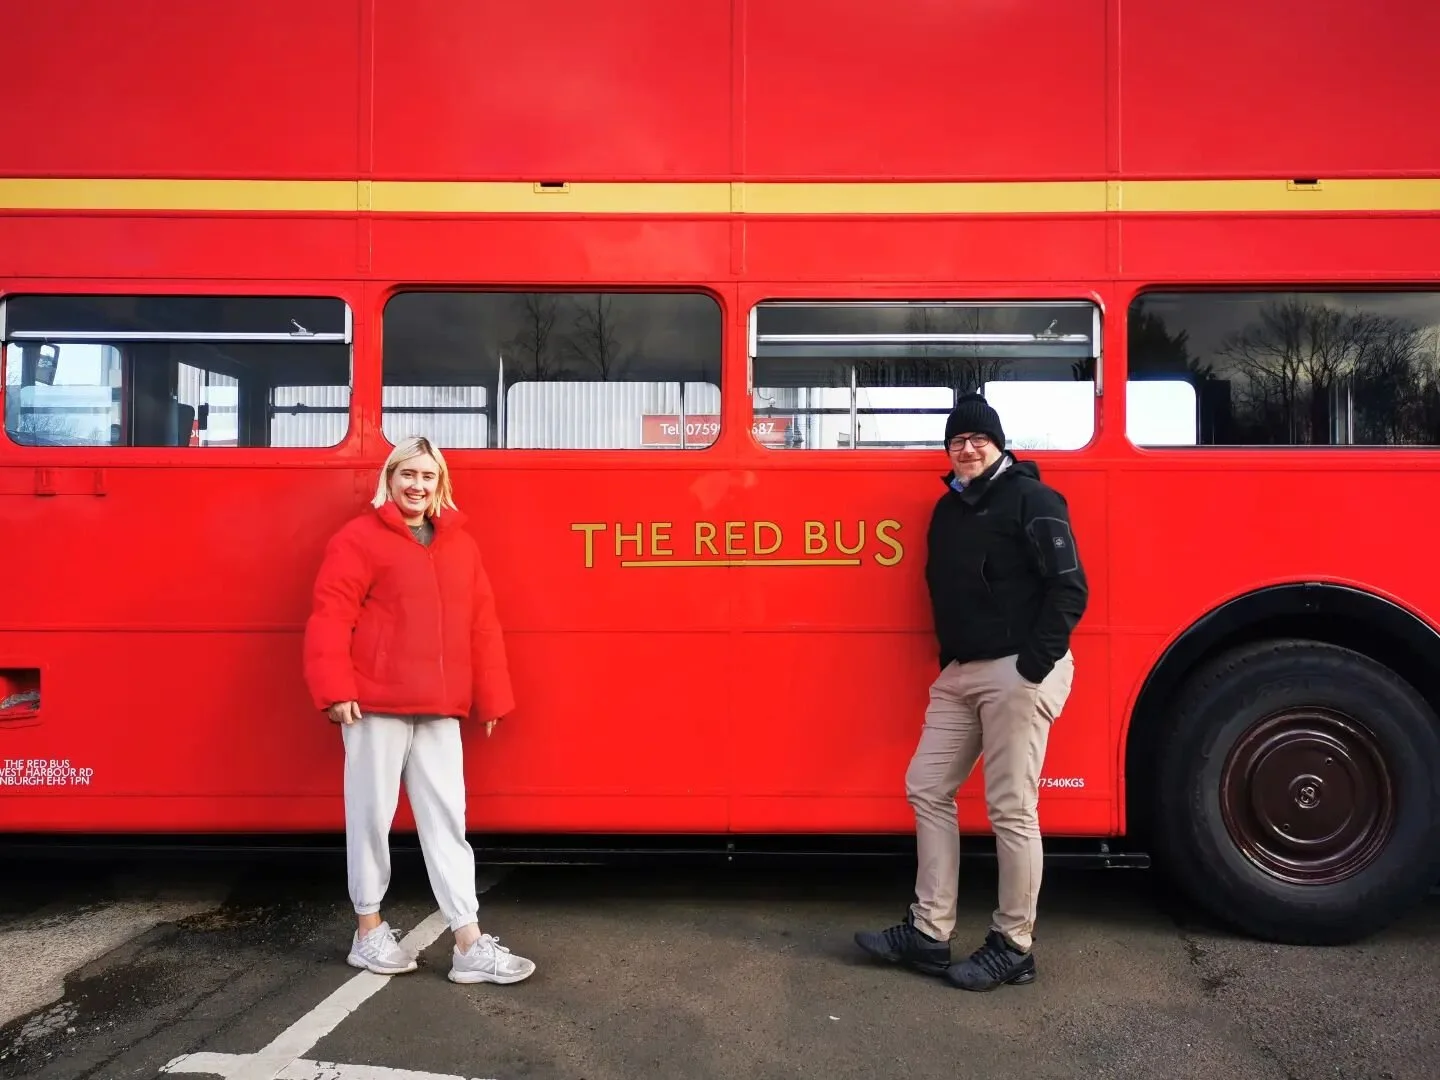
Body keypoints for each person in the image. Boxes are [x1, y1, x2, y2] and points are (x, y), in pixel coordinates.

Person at [855, 393, 1087, 991]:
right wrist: (951, 663)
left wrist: (1030, 667)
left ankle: (1014, 945)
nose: (967, 448)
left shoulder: (1035, 499)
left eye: (978, 438)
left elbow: (1069, 589)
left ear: (999, 444)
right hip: (961, 673)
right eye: (957, 440)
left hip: (1017, 669)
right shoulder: (948, 510)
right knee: (927, 786)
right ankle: (930, 933)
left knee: (1011, 806)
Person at [302, 435, 535, 986]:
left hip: (439, 708)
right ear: (391, 477)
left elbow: (481, 623)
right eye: (408, 474)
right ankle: (368, 933)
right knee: (371, 820)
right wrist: (335, 689)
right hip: (373, 706)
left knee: (447, 823)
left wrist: (492, 695)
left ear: (440, 485)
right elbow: (331, 616)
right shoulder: (357, 539)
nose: (417, 486)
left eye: (428, 477)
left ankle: (469, 943)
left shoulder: (460, 545)